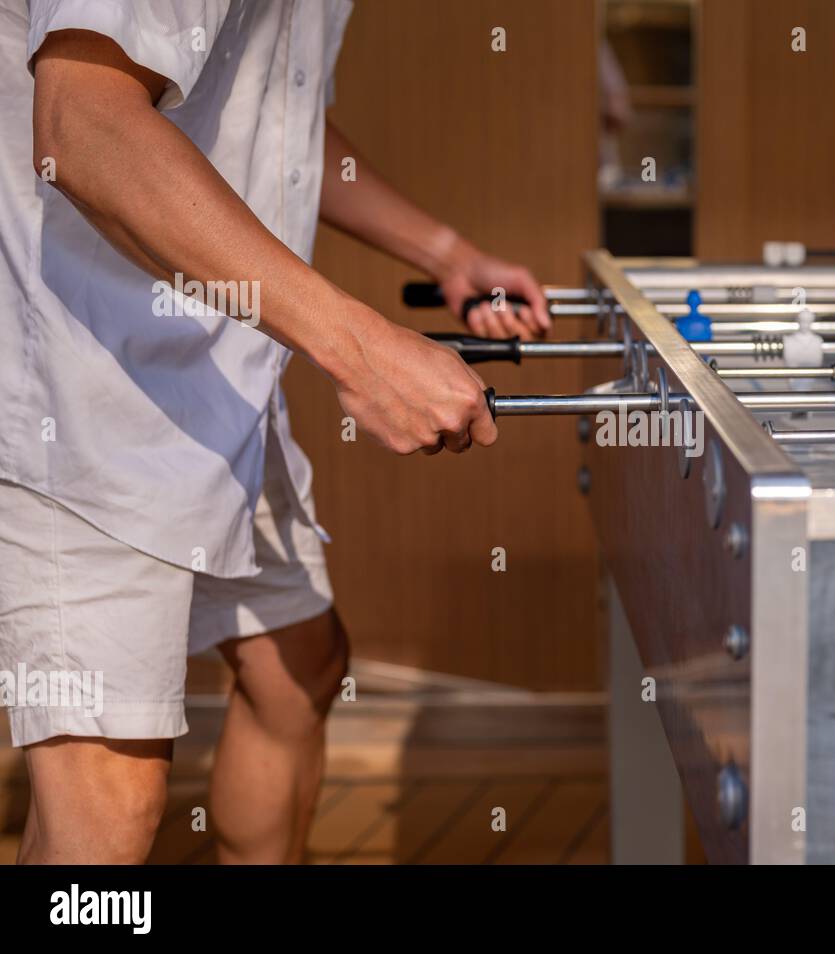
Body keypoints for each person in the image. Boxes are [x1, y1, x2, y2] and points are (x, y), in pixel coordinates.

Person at [0, 0, 548, 863]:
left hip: (220, 370)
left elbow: (270, 117)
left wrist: (444, 253)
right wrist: (358, 346)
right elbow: (83, 121)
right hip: (73, 388)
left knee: (300, 670)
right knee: (108, 809)